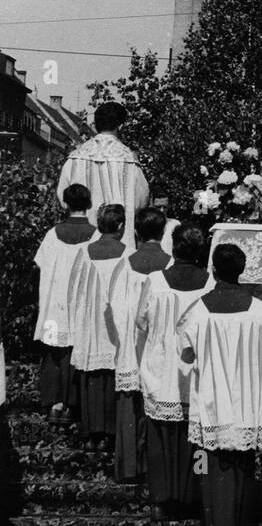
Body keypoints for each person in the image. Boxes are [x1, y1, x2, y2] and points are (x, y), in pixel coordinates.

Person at [178, 244, 262, 526]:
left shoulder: (198, 310)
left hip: (212, 406)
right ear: (240, 270)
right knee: (242, 474)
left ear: (214, 271)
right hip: (246, 406)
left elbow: (185, 353)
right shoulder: (259, 310)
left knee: (212, 474)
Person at [136, 225, 213, 521]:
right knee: (192, 439)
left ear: (174, 248)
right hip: (193, 369)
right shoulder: (209, 284)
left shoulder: (156, 281)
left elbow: (141, 320)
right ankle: (190, 496)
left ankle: (160, 500)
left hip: (161, 366)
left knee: (160, 437)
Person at [106, 207, 172, 483]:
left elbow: (113, 308)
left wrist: (121, 345)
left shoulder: (124, 265)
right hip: (162, 352)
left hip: (132, 348)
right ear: (163, 232)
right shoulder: (172, 267)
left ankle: (131, 467)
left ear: (136, 232)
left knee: (131, 408)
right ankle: (158, 470)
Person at [34, 183, 96, 425]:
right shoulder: (96, 235)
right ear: (89, 204)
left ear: (66, 204)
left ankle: (54, 404)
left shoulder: (52, 234)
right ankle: (72, 405)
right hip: (81, 304)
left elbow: (39, 262)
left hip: (55, 302)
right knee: (75, 350)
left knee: (54, 351)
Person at [67, 203, 126, 451]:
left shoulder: (84, 252)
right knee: (112, 372)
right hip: (116, 324)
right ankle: (112, 433)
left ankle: (92, 432)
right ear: (121, 227)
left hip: (91, 323)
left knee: (92, 374)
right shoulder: (128, 253)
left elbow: (73, 291)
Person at [57, 101, 150, 250]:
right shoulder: (129, 160)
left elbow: (64, 198)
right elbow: (140, 201)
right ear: (121, 126)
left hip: (81, 241)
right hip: (119, 242)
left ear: (95, 125)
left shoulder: (76, 158)